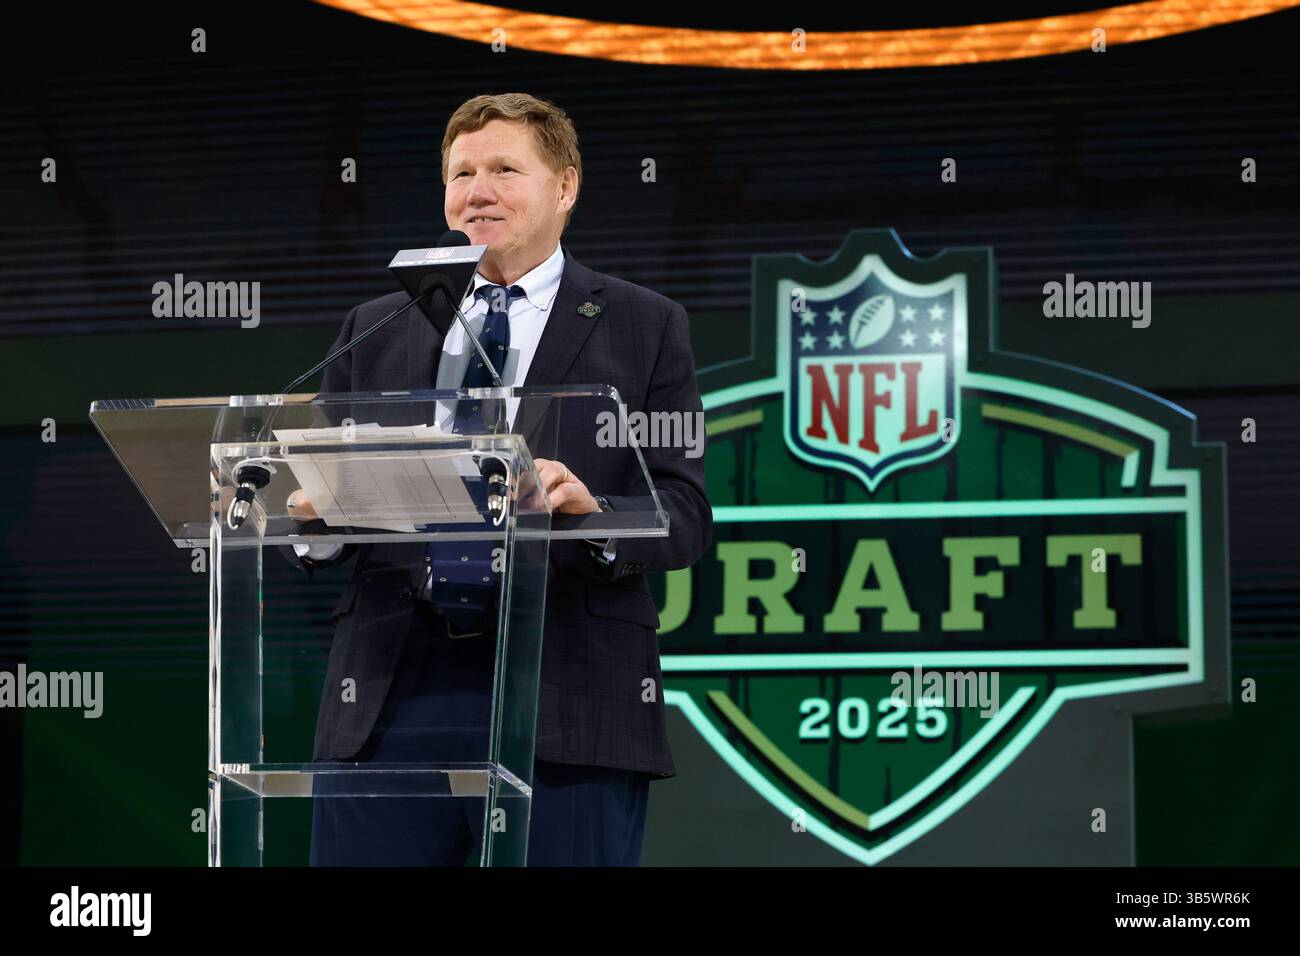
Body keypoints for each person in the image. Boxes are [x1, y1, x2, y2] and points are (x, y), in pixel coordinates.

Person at [283, 92, 711, 866]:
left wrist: (592, 509)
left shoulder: (644, 324)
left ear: (566, 186)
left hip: (566, 688)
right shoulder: (377, 326)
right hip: (391, 690)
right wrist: (310, 520)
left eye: (505, 170)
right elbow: (316, 505)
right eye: (461, 173)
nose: (477, 192)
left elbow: (683, 515)